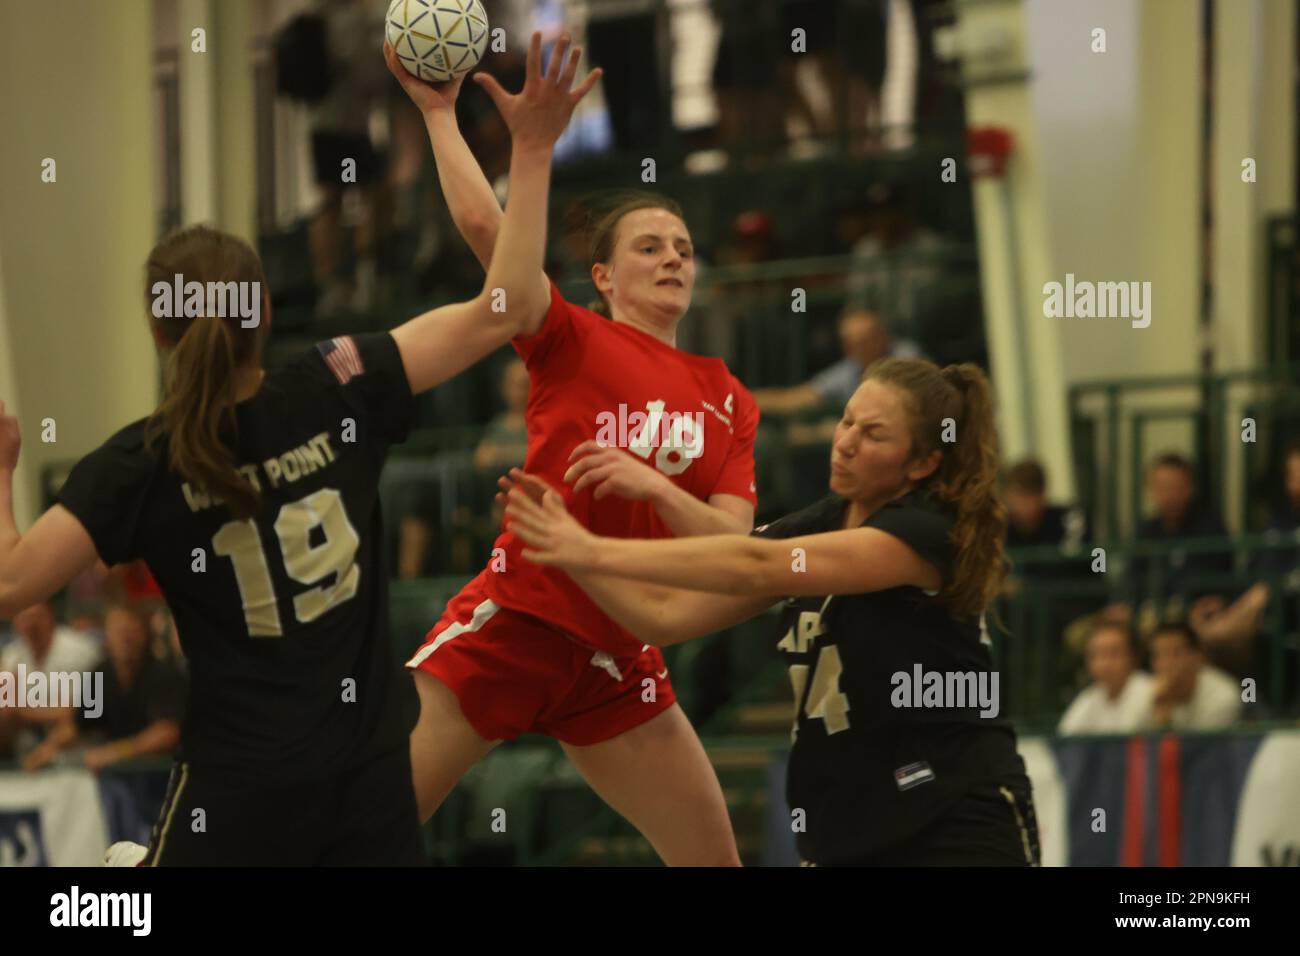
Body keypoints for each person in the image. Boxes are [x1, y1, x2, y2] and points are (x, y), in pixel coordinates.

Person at [0, 32, 596, 865]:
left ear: (159, 332)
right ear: (268, 314)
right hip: (367, 774)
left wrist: (1, 474)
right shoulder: (336, 380)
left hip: (241, 791)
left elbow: (10, 584)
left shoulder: (141, 459)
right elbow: (507, 304)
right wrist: (520, 148)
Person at [390, 36, 761, 866]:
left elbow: (734, 544)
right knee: (363, 826)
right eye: (650, 246)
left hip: (618, 653)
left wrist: (655, 491)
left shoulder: (728, 394)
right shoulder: (569, 338)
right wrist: (439, 115)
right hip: (520, 619)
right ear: (602, 276)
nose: (673, 257)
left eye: (685, 250)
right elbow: (490, 227)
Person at [503, 358, 1041, 866]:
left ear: (923, 462)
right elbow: (662, 615)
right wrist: (572, 554)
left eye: (873, 434)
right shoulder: (827, 518)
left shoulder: (924, 531)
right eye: (847, 421)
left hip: (952, 820)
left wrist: (593, 546)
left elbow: (757, 564)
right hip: (850, 832)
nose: (846, 442)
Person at [22, 602, 187, 772]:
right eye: (118, 631)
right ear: (107, 636)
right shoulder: (101, 674)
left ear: (144, 634)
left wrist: (117, 752)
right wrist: (48, 748)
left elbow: (167, 732)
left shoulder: (164, 674)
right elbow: (78, 724)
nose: (125, 638)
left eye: (131, 631)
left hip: (163, 773)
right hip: (121, 778)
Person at [0, 602, 101, 761]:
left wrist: (20, 709)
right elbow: (5, 710)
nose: (32, 624)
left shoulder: (79, 649)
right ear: (16, 623)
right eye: (25, 618)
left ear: (50, 618)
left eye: (37, 617)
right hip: (26, 757)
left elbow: (76, 713)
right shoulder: (12, 654)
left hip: (77, 757)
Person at [1057, 621, 1154, 735]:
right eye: (1097, 654)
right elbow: (1065, 738)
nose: (1104, 663)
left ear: (1133, 656)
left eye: (1114, 653)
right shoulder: (1090, 696)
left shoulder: (1150, 690)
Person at [1148, 623, 1242, 730]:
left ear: (1198, 656)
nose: (1166, 664)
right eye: (1159, 655)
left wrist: (1165, 722)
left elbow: (1202, 745)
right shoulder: (1152, 692)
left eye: (1175, 653)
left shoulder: (1223, 695)